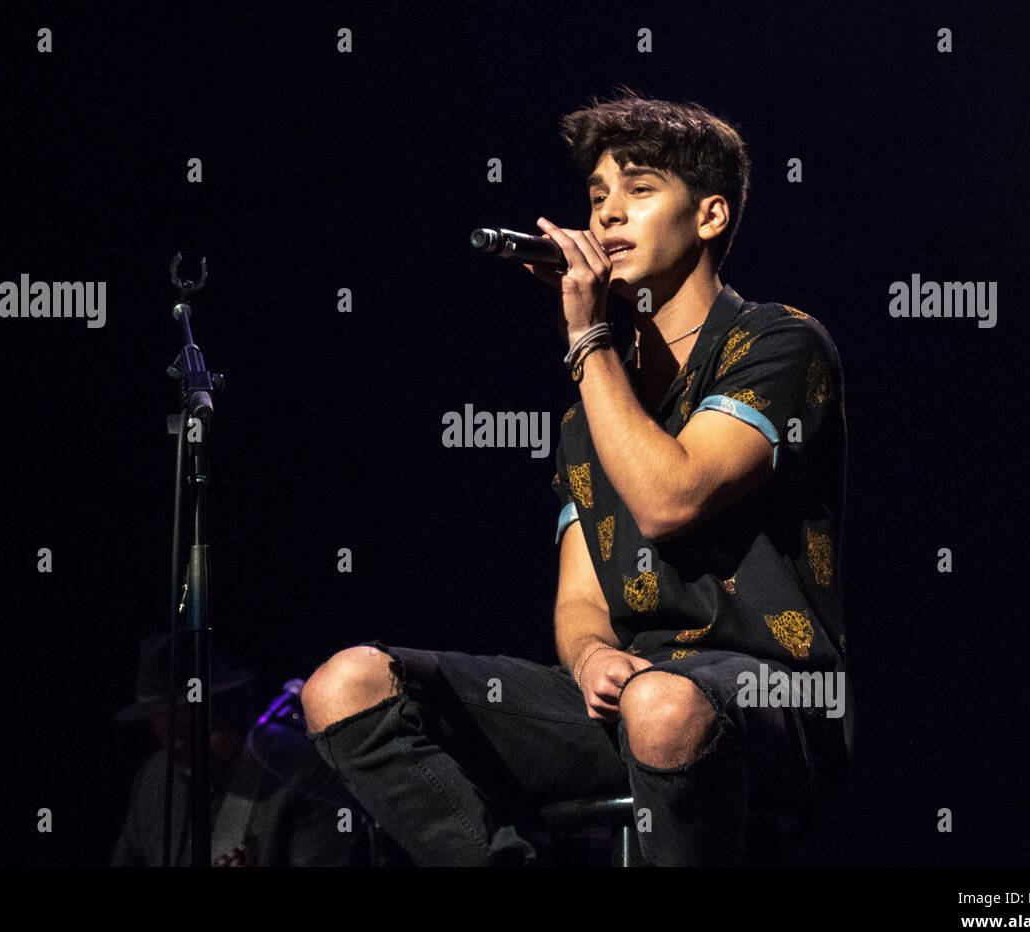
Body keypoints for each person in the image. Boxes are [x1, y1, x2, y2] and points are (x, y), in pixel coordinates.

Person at [301, 87, 853, 866]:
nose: (608, 215)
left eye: (640, 190)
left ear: (710, 216)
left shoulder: (779, 343)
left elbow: (670, 499)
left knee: (662, 705)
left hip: (770, 696)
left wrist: (588, 337)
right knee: (345, 685)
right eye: (596, 198)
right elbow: (581, 600)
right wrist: (592, 655)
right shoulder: (589, 411)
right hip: (632, 697)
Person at [111, 632, 367, 866]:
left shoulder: (302, 770)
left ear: (229, 703)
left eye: (188, 720)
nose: (176, 742)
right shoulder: (153, 778)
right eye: (162, 727)